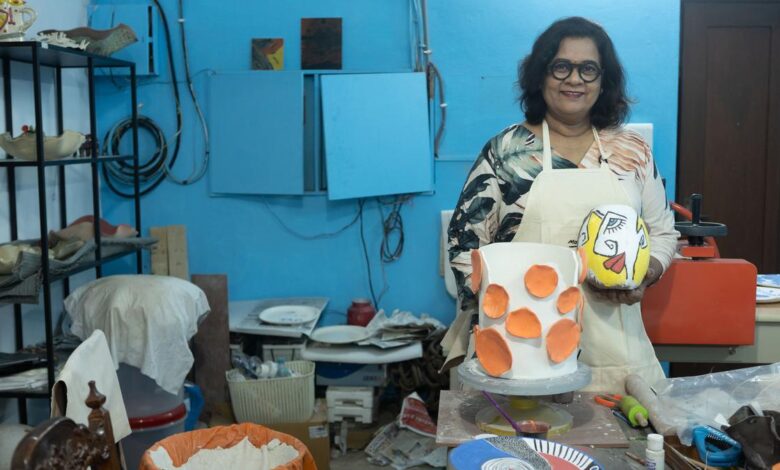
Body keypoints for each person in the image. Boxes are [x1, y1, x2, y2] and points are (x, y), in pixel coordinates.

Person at [447, 17, 679, 392]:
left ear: (604, 80)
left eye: (588, 69)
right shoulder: (505, 153)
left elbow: (663, 233)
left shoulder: (632, 152)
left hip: (615, 356)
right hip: (521, 353)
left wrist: (645, 274)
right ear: (541, 75)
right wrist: (505, 310)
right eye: (561, 67)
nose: (575, 79)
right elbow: (463, 247)